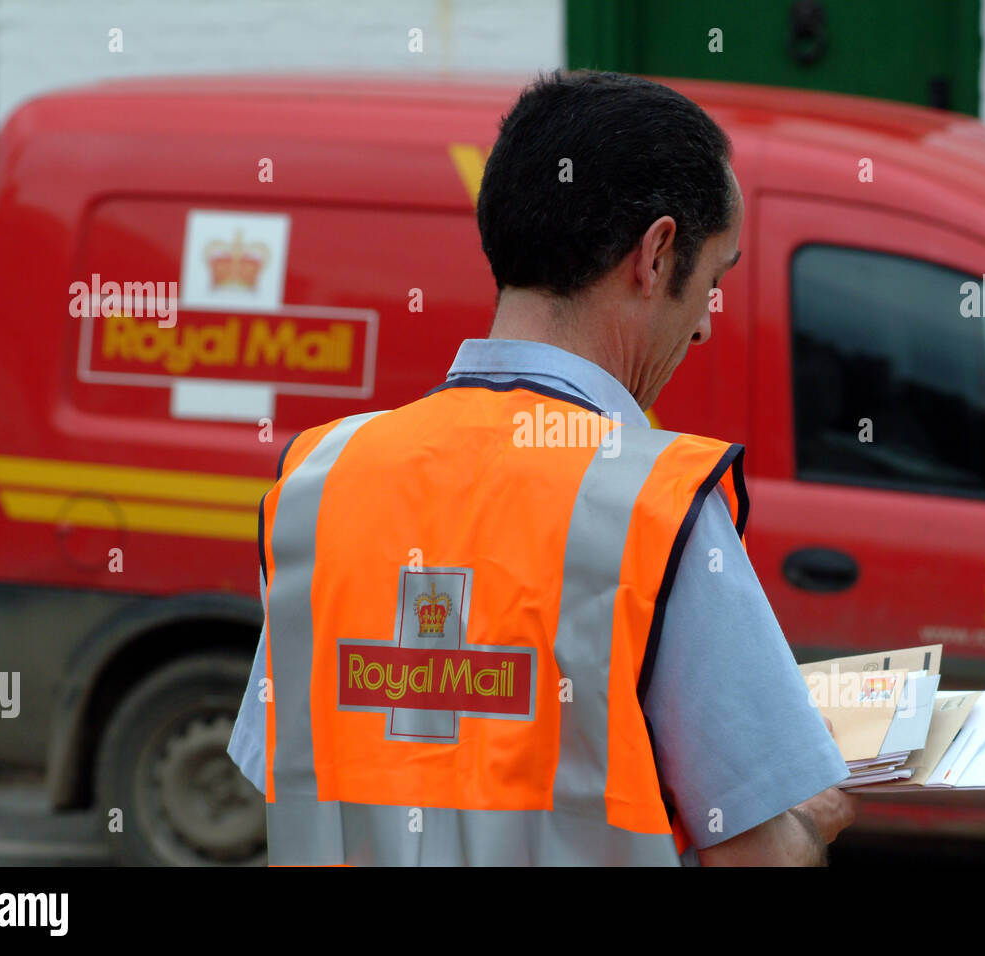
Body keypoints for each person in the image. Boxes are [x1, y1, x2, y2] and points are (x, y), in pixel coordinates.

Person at [227, 69, 857, 866]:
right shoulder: (653, 511)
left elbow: (281, 776)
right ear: (657, 255)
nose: (703, 328)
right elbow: (756, 856)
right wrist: (813, 814)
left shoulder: (321, 482)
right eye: (715, 282)